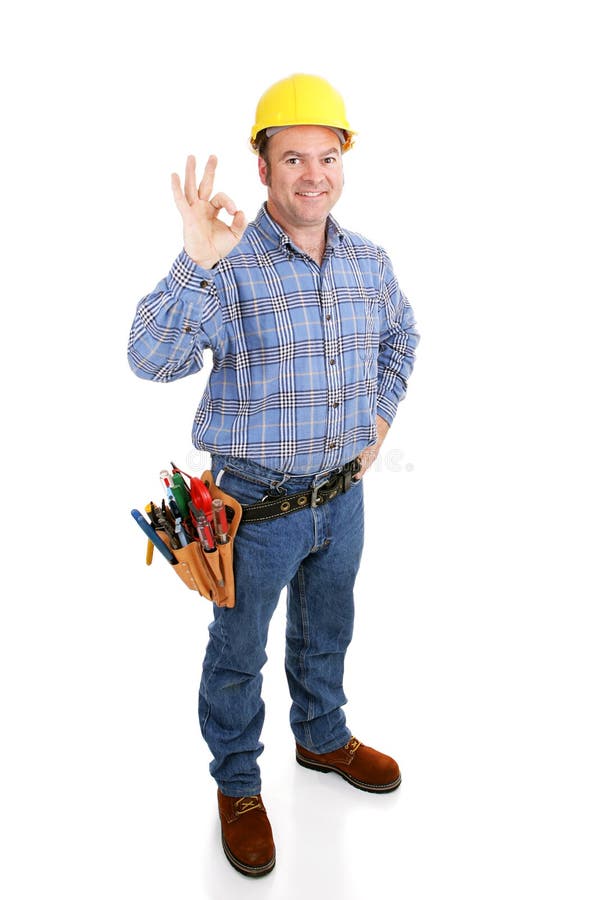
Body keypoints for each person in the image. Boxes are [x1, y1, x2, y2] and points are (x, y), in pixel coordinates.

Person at [128, 73, 419, 878]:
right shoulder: (227, 265)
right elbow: (149, 360)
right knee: (237, 655)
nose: (313, 175)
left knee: (328, 630)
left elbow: (402, 338)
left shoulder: (369, 263)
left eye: (328, 156)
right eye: (294, 158)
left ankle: (322, 736)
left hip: (343, 499)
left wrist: (377, 426)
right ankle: (239, 785)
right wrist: (194, 262)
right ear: (263, 167)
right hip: (251, 510)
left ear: (343, 161)